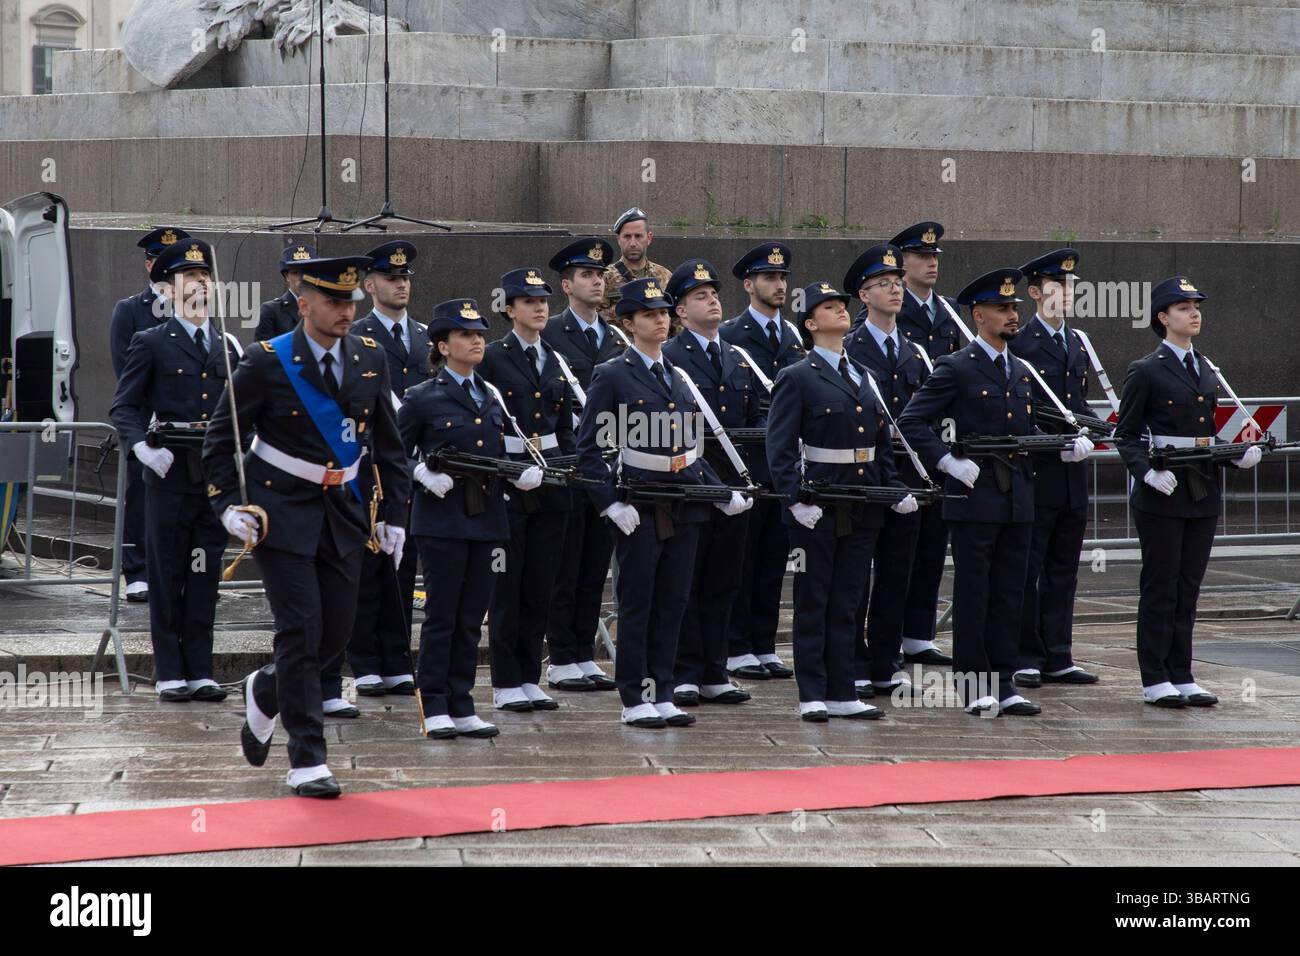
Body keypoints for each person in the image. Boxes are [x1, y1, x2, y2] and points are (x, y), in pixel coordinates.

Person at [203, 254, 410, 798]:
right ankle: (308, 758)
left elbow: (388, 446)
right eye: (333, 302)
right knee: (300, 629)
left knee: (334, 636)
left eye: (349, 302)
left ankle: (266, 689)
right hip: (281, 513)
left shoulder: (370, 357)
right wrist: (228, 505)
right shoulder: (265, 362)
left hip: (344, 512)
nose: (345, 312)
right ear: (304, 304)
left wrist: (394, 517)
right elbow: (221, 440)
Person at [899, 269, 1092, 716]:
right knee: (975, 593)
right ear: (979, 315)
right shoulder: (956, 367)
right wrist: (947, 461)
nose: (1012, 316)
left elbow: (1029, 430)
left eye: (1014, 309)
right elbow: (911, 421)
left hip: (1019, 495)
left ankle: (1005, 682)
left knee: (1011, 591)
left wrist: (1064, 445)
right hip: (974, 497)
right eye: (1003, 309)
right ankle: (976, 686)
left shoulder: (1021, 369)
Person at [576, 277, 743, 728]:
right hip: (640, 504)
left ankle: (663, 691)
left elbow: (691, 447)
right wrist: (609, 504)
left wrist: (719, 492)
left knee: (673, 601)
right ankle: (635, 696)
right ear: (628, 323)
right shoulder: (612, 374)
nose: (661, 320)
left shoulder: (678, 375)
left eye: (664, 313)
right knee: (639, 603)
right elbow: (590, 447)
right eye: (649, 315)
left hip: (683, 503)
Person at [1114, 276, 1261, 708]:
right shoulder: (1146, 370)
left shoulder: (1205, 368)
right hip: (1162, 490)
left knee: (1189, 587)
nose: (1193, 313)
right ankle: (1155, 676)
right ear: (1162, 318)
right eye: (1182, 307)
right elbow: (1126, 436)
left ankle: (1182, 671)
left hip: (1200, 489)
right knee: (1161, 585)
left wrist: (1233, 455)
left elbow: (1204, 435)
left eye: (1196, 305)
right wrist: (1145, 473)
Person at [766, 281, 910, 722]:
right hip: (817, 505)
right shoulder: (797, 376)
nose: (840, 311)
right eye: (828, 308)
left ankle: (844, 689)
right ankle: (813, 690)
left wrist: (890, 490)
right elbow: (780, 445)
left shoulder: (860, 373)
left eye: (841, 306)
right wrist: (794, 501)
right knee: (814, 598)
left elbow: (880, 439)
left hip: (861, 503)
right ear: (811, 324)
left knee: (848, 600)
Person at [400, 299, 541, 740]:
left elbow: (501, 452)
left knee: (471, 616)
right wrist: (420, 472)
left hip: (487, 518)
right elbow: (390, 453)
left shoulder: (492, 394)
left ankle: (462, 702)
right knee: (442, 614)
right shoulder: (422, 398)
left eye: (480, 333)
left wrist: (523, 473)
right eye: (465, 335)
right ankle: (434, 702)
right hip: (441, 519)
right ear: (442, 346)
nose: (477, 340)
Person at [110, 238, 236, 703]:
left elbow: (242, 413)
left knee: (205, 571)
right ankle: (169, 670)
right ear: (170, 288)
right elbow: (124, 406)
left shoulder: (226, 346)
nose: (200, 283)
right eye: (190, 277)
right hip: (167, 474)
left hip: (213, 477)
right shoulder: (152, 342)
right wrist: (142, 446)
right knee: (167, 572)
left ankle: (200, 667)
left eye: (206, 277)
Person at [323, 240, 427, 712]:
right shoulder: (357, 335)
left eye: (405, 278)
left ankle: (397, 658)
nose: (401, 284)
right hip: (367, 462)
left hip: (415, 463)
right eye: (390, 278)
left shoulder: (426, 337)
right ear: (370, 287)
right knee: (366, 563)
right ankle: (365, 660)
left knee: (401, 564)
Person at [661, 259, 761, 707]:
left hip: (736, 488)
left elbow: (761, 415)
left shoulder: (737, 357)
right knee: (686, 582)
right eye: (700, 296)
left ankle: (715, 670)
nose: (712, 300)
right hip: (691, 487)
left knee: (724, 581)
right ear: (680, 312)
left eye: (714, 294)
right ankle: (684, 671)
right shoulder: (669, 359)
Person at [479, 267, 576, 713]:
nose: (539, 308)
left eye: (543, 301)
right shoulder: (494, 358)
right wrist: (507, 468)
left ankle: (529, 676)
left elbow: (565, 423)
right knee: (508, 587)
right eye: (529, 302)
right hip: (510, 482)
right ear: (509, 309)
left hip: (552, 481)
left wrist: (568, 468)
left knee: (541, 584)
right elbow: (486, 423)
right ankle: (504, 680)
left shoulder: (554, 358)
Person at [1009, 249, 1099, 690]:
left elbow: (1077, 406)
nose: (1065, 293)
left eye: (1069, 286)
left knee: (1064, 567)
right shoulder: (1020, 344)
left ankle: (1058, 653)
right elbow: (1020, 415)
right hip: (1039, 470)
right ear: (1033, 292)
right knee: (1029, 566)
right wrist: (1052, 447)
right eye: (1055, 286)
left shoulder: (1078, 342)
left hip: (1072, 475)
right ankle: (1027, 654)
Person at [843, 243, 928, 699]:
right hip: (864, 474)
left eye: (897, 284)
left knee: (898, 571)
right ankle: (855, 657)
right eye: (883, 285)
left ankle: (886, 659)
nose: (894, 291)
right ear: (863, 294)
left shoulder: (914, 352)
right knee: (857, 573)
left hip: (907, 473)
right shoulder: (850, 348)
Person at [541, 238, 624, 691]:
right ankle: (561, 656)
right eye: (587, 275)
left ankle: (584, 651)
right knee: (565, 562)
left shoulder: (616, 337)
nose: (596, 281)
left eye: (600, 274)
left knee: (595, 563)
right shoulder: (550, 333)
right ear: (567, 285)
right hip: (568, 460)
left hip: (607, 461)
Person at [718, 242, 802, 681]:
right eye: (770, 278)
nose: (779, 285)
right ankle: (736, 647)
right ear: (749, 285)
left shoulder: (792, 336)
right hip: (746, 460)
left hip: (780, 464)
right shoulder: (732, 335)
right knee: (743, 558)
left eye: (783, 278)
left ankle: (764, 643)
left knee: (773, 557)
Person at [890, 220, 960, 667]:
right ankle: (891, 631)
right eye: (921, 256)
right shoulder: (889, 313)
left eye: (935, 257)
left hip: (944, 441)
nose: (931, 263)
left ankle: (919, 632)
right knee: (901, 548)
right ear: (901, 264)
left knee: (935, 540)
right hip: (904, 441)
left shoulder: (951, 312)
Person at [109, 225, 191, 603]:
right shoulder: (130, 311)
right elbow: (126, 372)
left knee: (187, 504)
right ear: (149, 266)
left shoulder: (194, 311)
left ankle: (185, 569)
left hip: (187, 426)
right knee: (140, 500)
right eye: (160, 260)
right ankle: (137, 570)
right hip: (146, 423)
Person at [599, 207, 672, 320]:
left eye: (638, 236)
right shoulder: (604, 277)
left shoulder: (665, 276)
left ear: (649, 238)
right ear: (618, 239)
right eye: (627, 236)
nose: (633, 243)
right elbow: (595, 319)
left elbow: (675, 318)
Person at [255, 243, 313, 342]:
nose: (302, 278)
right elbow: (263, 355)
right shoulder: (272, 311)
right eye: (296, 273)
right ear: (286, 276)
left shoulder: (324, 307)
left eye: (307, 272)